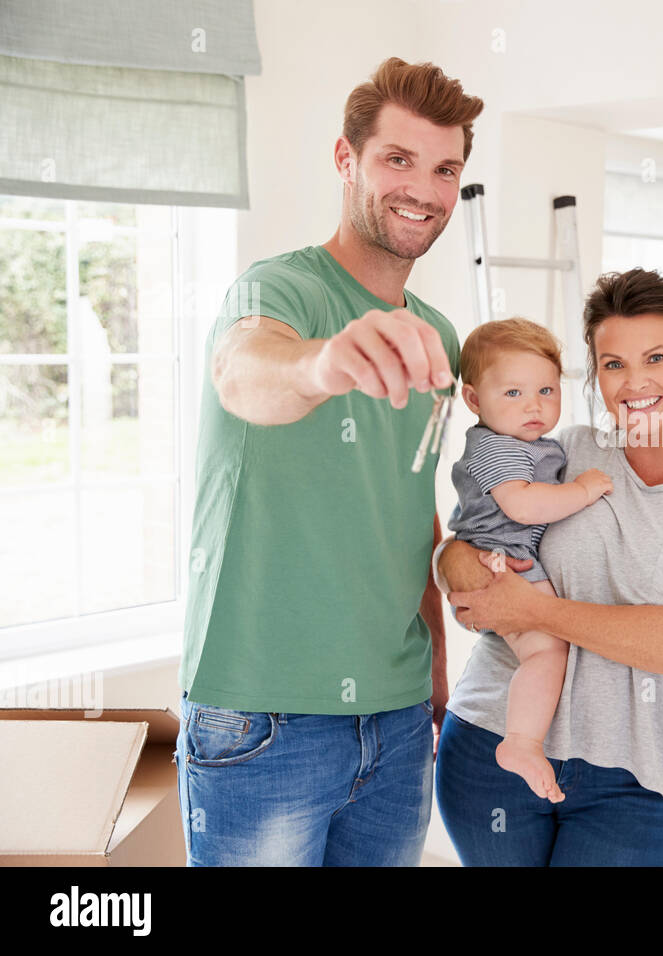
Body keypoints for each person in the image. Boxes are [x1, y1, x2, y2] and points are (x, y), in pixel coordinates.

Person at [175, 57, 481, 866]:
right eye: (397, 159)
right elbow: (246, 371)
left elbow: (409, 507)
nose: (423, 188)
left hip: (398, 716)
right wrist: (324, 365)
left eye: (444, 168)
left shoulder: (438, 336)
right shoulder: (277, 293)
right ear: (346, 160)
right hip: (262, 721)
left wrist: (436, 668)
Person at [434, 268, 663, 867]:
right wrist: (460, 566)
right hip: (494, 744)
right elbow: (460, 543)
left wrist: (532, 609)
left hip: (632, 777)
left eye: (655, 357)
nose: (634, 382)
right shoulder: (564, 449)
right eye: (612, 364)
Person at [445, 317, 613, 802]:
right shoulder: (498, 447)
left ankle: (523, 740)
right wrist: (581, 491)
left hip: (510, 558)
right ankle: (520, 742)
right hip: (503, 562)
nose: (534, 405)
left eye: (545, 389)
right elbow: (522, 505)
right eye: (513, 393)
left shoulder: (528, 443)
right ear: (474, 401)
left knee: (545, 650)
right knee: (547, 652)